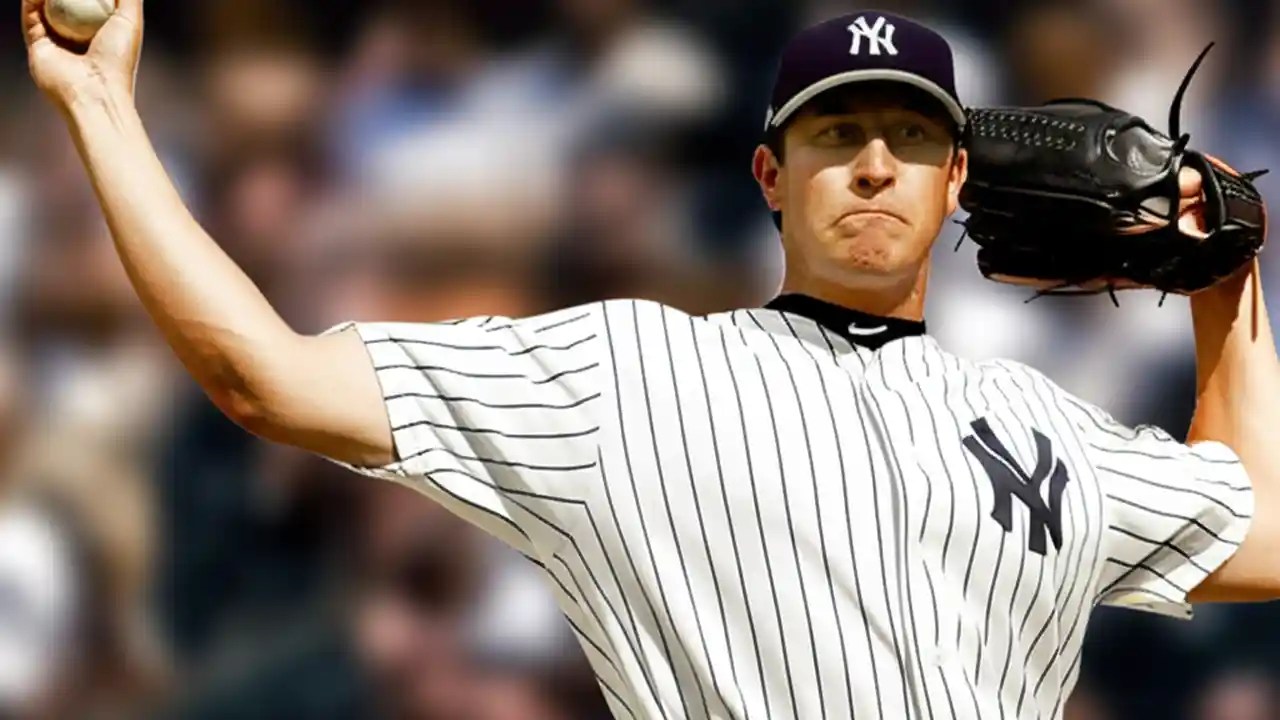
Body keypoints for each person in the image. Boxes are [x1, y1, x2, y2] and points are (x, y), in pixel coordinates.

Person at [21, 2, 1280, 718]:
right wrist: (104, 112)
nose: (874, 164)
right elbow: (269, 378)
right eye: (836, 132)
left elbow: (1261, 540)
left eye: (909, 135)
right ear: (767, 177)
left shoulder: (1036, 421)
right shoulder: (621, 374)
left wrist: (1224, 280)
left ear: (957, 179)